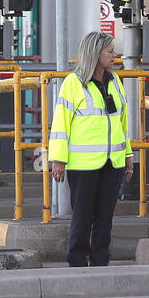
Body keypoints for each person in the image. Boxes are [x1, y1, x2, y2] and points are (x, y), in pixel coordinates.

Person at [49, 31, 135, 267]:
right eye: (110, 51)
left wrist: (128, 156)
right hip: (82, 164)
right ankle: (76, 262)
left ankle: (100, 262)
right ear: (95, 54)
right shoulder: (73, 83)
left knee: (105, 218)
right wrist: (58, 160)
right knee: (83, 217)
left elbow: (122, 123)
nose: (114, 55)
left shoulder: (115, 81)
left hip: (112, 162)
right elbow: (60, 125)